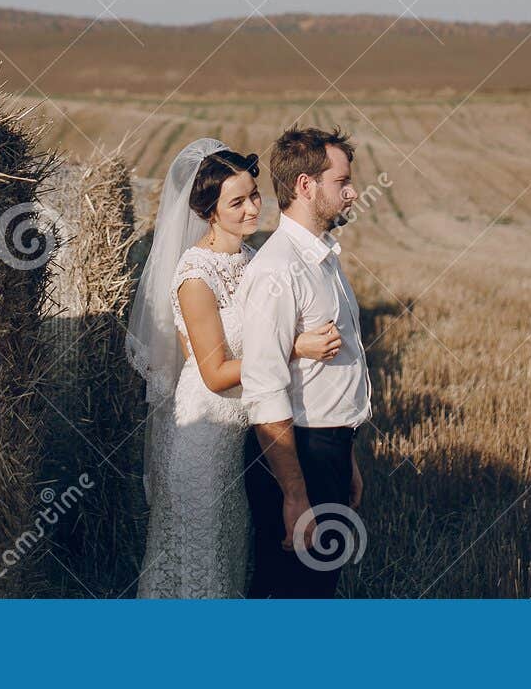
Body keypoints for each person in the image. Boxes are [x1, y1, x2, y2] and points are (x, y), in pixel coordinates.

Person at [127, 138, 342, 597]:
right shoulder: (195, 276)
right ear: (209, 211)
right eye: (237, 202)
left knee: (229, 559)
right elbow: (215, 372)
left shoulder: (250, 260)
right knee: (199, 561)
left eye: (254, 195)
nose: (253, 209)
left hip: (238, 437)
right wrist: (294, 347)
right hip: (201, 441)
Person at [239, 126, 373, 597]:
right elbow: (265, 389)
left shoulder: (323, 259)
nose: (353, 192)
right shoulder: (278, 270)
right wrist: (295, 493)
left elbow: (332, 375)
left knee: (315, 590)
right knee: (291, 592)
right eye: (343, 181)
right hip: (297, 455)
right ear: (305, 186)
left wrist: (348, 456)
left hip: (327, 449)